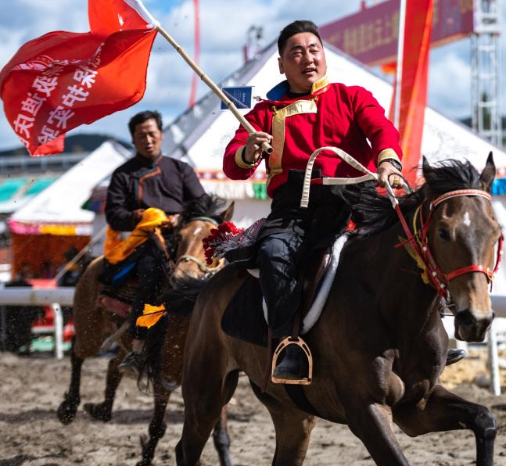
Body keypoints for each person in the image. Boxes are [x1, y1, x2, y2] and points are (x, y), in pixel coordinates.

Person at [223, 20, 465, 381]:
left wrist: (387, 162)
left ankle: (433, 332)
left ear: (324, 56)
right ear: (281, 64)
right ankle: (289, 343)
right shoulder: (262, 114)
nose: (307, 57)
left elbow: (381, 129)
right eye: (297, 52)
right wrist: (247, 150)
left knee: (414, 239)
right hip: (297, 210)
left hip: (358, 200)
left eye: (313, 49)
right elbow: (233, 166)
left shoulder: (352, 96)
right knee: (274, 254)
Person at [105, 110, 207, 375]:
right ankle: (138, 345)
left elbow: (201, 203)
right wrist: (143, 216)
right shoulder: (122, 175)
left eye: (152, 134)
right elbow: (114, 216)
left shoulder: (181, 169)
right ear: (133, 139)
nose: (148, 140)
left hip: (186, 239)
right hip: (147, 243)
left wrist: (180, 218)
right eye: (141, 136)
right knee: (152, 277)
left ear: (161, 135)